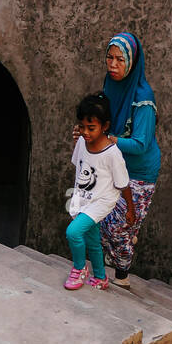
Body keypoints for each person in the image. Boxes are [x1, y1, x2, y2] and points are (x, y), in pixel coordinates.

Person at [72, 32, 160, 289]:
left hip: (140, 170)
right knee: (98, 220)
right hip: (110, 164)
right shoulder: (111, 85)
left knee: (119, 227)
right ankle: (99, 269)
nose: (112, 65)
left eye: (120, 60)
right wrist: (86, 131)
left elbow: (141, 144)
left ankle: (121, 275)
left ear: (132, 62)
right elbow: (98, 119)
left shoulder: (143, 98)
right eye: (109, 58)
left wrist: (108, 139)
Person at [65, 92, 134, 290]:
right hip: (84, 198)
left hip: (101, 201)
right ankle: (101, 277)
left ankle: (80, 269)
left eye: (91, 128)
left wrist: (131, 209)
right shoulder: (81, 142)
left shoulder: (112, 154)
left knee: (73, 232)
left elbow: (123, 184)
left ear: (105, 126)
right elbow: (78, 167)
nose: (86, 132)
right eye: (82, 127)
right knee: (92, 239)